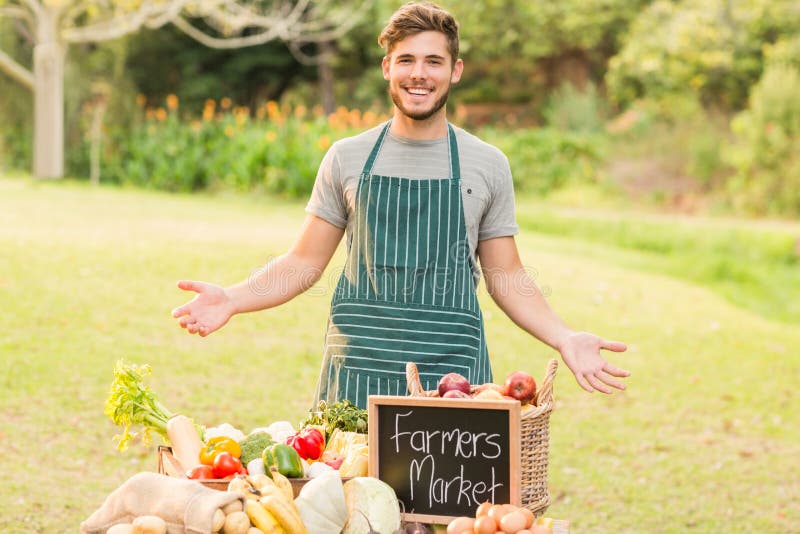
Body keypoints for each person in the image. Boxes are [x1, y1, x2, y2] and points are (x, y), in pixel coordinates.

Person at [172, 1, 630, 409]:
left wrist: (565, 336)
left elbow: (506, 276)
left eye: (434, 61)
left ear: (456, 70)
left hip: (453, 377)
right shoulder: (347, 157)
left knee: (448, 506)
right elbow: (303, 261)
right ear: (387, 67)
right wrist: (232, 297)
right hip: (358, 372)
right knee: (349, 502)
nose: (419, 73)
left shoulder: (487, 164)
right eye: (406, 60)